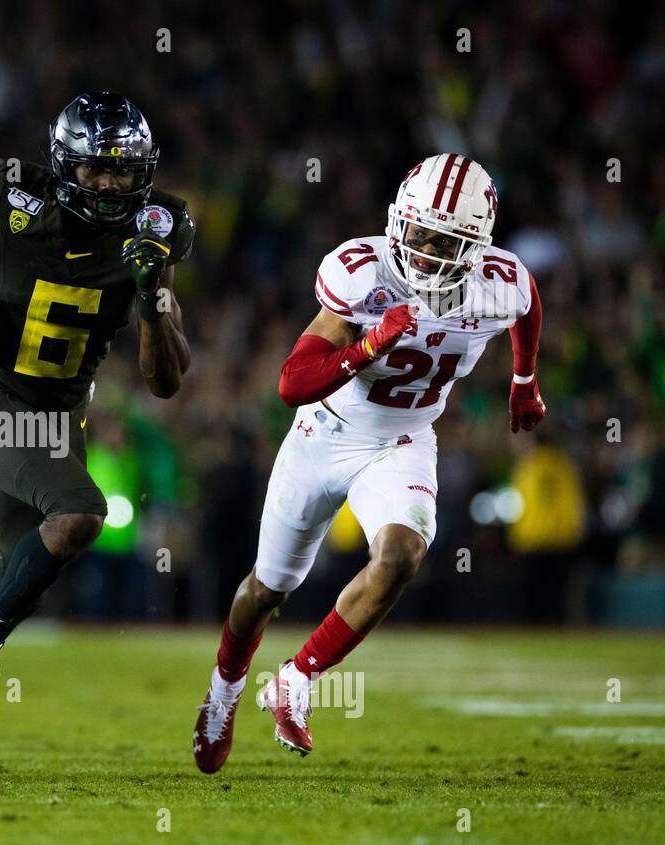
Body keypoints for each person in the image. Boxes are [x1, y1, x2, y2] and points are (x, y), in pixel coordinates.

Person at [0, 92, 195, 783]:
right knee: (81, 513)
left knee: (4, 586)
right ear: (63, 166)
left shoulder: (156, 231)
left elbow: (167, 380)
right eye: (96, 170)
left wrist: (150, 300)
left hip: (59, 416)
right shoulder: (10, 204)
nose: (111, 185)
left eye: (123, 170)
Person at [192, 153, 546, 769]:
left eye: (448, 239)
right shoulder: (365, 273)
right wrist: (370, 343)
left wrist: (524, 378)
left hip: (403, 440)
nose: (429, 249)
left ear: (477, 245)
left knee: (404, 553)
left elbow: (528, 304)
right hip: (323, 432)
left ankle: (296, 680)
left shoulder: (499, 281)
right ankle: (223, 691)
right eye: (421, 231)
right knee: (265, 589)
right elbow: (294, 383)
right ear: (398, 221)